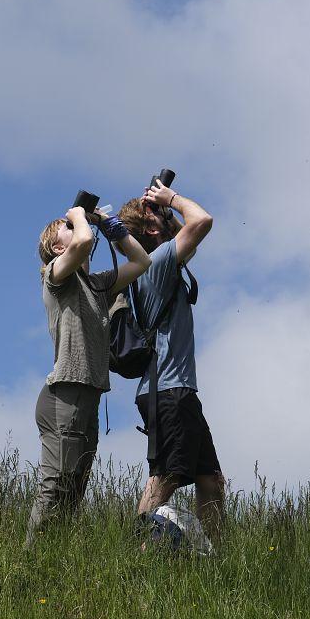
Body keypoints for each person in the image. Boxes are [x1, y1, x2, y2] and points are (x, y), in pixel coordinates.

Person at [26, 205, 151, 546]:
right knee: (56, 483)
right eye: (65, 227)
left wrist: (110, 226)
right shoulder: (56, 275)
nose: (77, 228)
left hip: (90, 394)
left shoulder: (97, 285)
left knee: (75, 487)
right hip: (63, 394)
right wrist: (79, 215)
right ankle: (28, 563)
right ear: (57, 247)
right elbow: (81, 243)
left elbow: (141, 262)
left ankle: (56, 557)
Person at [118, 180, 224, 544]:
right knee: (165, 477)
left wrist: (161, 212)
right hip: (168, 390)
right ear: (150, 229)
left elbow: (186, 235)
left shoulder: (152, 265)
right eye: (158, 218)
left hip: (175, 390)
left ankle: (213, 555)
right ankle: (138, 549)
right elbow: (201, 222)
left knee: (210, 479)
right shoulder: (158, 262)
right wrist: (171, 199)